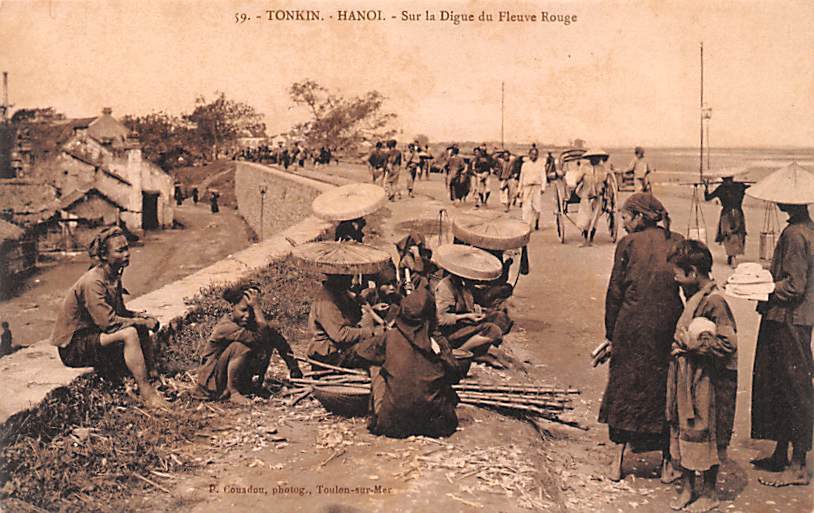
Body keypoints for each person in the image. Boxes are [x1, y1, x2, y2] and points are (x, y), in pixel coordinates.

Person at [597, 192, 684, 482]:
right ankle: (667, 464)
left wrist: (611, 334)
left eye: (624, 217)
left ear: (638, 217)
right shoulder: (677, 240)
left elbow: (615, 293)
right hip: (667, 324)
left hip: (632, 326)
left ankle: (616, 461)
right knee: (663, 388)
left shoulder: (628, 244)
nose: (622, 223)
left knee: (624, 385)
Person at [50, 227, 169, 409]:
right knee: (129, 333)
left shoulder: (113, 275)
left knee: (140, 326)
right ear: (105, 256)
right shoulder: (93, 282)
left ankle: (152, 375)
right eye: (120, 251)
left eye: (127, 249)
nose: (127, 254)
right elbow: (109, 323)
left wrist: (142, 317)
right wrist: (139, 321)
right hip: (75, 345)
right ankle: (146, 391)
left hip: (93, 335)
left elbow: (119, 312)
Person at [666, 240, 738, 512]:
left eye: (678, 273)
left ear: (693, 272)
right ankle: (687, 486)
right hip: (687, 376)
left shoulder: (715, 302)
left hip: (705, 380)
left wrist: (693, 346)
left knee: (707, 432)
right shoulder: (694, 296)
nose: (675, 277)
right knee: (683, 429)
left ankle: (709, 491)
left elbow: (727, 343)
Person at [750, 200, 814, 487]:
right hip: (795, 319)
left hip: (789, 319)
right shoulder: (805, 229)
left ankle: (798, 464)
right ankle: (781, 452)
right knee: (781, 384)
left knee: (793, 387)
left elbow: (794, 286)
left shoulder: (795, 235)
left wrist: (761, 286)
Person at [368, 278, 470, 438]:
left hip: (393, 425)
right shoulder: (436, 341)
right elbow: (454, 374)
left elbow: (360, 353)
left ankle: (381, 414)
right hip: (437, 426)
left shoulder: (390, 337)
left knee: (377, 369)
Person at [196, 285, 302, 404]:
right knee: (240, 346)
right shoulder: (226, 327)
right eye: (243, 310)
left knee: (268, 338)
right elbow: (260, 335)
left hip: (224, 379)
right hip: (211, 384)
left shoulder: (248, 324)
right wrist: (256, 307)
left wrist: (294, 367)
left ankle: (251, 385)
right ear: (232, 306)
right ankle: (233, 393)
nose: (248, 316)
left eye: (251, 312)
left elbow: (277, 339)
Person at [307, 273, 387, 369]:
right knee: (376, 350)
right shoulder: (326, 301)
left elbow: (352, 319)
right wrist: (372, 332)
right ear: (338, 278)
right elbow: (340, 335)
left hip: (341, 348)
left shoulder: (339, 293)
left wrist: (369, 308)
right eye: (348, 277)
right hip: (330, 355)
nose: (352, 281)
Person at [434, 267, 511, 364]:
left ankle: (478, 353)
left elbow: (467, 304)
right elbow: (440, 319)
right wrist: (466, 316)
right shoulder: (446, 287)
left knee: (500, 317)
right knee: (492, 330)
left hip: (463, 324)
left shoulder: (464, 284)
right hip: (449, 331)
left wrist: (475, 309)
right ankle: (459, 353)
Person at [704, 174, 749, 267]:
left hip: (732, 214)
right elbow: (708, 198)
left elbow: (707, 197)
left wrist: (706, 188)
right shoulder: (738, 186)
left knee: (734, 234)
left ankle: (732, 255)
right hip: (733, 214)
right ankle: (732, 255)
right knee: (730, 234)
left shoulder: (726, 188)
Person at [574, 148, 610, 246]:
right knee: (586, 218)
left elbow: (606, 180)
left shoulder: (602, 168)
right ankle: (585, 240)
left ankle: (591, 240)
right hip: (586, 195)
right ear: (590, 158)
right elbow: (577, 179)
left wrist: (604, 189)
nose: (597, 160)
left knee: (595, 219)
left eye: (598, 158)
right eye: (594, 158)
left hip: (598, 195)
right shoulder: (584, 167)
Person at [518, 147, 546, 231]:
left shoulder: (540, 165)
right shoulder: (525, 165)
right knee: (526, 207)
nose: (533, 156)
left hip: (537, 187)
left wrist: (543, 187)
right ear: (529, 155)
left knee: (537, 207)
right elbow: (521, 178)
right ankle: (526, 225)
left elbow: (543, 176)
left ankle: (536, 221)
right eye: (532, 154)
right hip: (527, 187)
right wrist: (519, 189)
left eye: (535, 154)